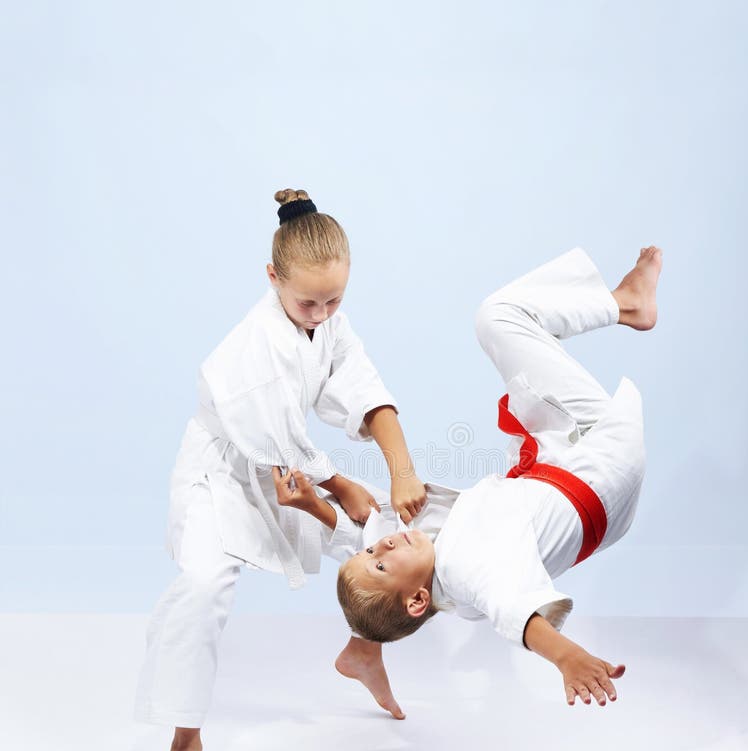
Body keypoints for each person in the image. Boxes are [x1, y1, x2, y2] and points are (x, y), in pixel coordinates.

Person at [274, 245, 662, 707]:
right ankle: (626, 304)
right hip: (599, 465)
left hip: (557, 471)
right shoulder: (469, 568)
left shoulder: (423, 560)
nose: (381, 544)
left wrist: (313, 502)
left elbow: (366, 536)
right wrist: (567, 657)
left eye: (373, 551)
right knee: (498, 316)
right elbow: (518, 616)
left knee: (368, 530)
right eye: (379, 561)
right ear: (418, 601)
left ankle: (363, 651)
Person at [136, 189, 426, 751]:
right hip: (221, 475)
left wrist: (400, 472)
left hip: (292, 470)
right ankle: (184, 744)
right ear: (273, 278)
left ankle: (365, 649)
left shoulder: (329, 324)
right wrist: (342, 485)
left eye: (334, 300)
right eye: (307, 301)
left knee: (412, 548)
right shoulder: (258, 345)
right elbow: (281, 444)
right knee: (204, 587)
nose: (321, 313)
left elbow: (367, 392)